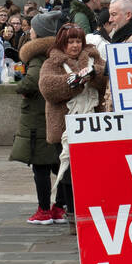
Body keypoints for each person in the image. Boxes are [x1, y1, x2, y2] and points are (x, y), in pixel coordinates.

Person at [40, 23, 110, 215]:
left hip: (93, 122)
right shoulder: (52, 62)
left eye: (78, 41)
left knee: (93, 173)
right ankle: (73, 215)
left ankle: (93, 212)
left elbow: (107, 79)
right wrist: (73, 82)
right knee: (70, 174)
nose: (74, 46)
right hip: (64, 126)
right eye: (70, 42)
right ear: (62, 43)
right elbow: (47, 88)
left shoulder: (94, 57)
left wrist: (94, 73)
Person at [11, 12, 70, 224]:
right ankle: (60, 207)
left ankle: (45, 210)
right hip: (53, 116)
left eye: (33, 28)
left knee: (42, 167)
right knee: (59, 165)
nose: (30, 30)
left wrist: (19, 87)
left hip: (38, 118)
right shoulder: (56, 53)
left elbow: (33, 81)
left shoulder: (38, 56)